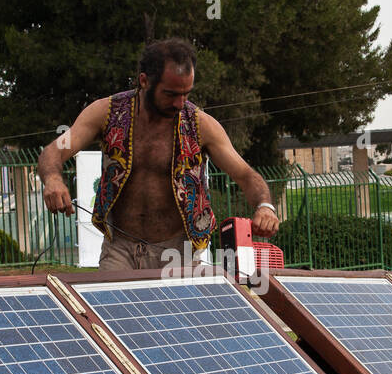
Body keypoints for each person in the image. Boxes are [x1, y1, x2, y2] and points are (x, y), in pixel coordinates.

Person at [37, 37, 279, 271]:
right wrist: (54, 180)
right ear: (144, 81)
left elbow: (246, 175)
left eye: (186, 93)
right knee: (111, 311)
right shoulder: (105, 113)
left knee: (177, 314)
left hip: (179, 251)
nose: (180, 103)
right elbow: (54, 151)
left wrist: (265, 205)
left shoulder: (202, 125)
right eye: (171, 94)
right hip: (119, 249)